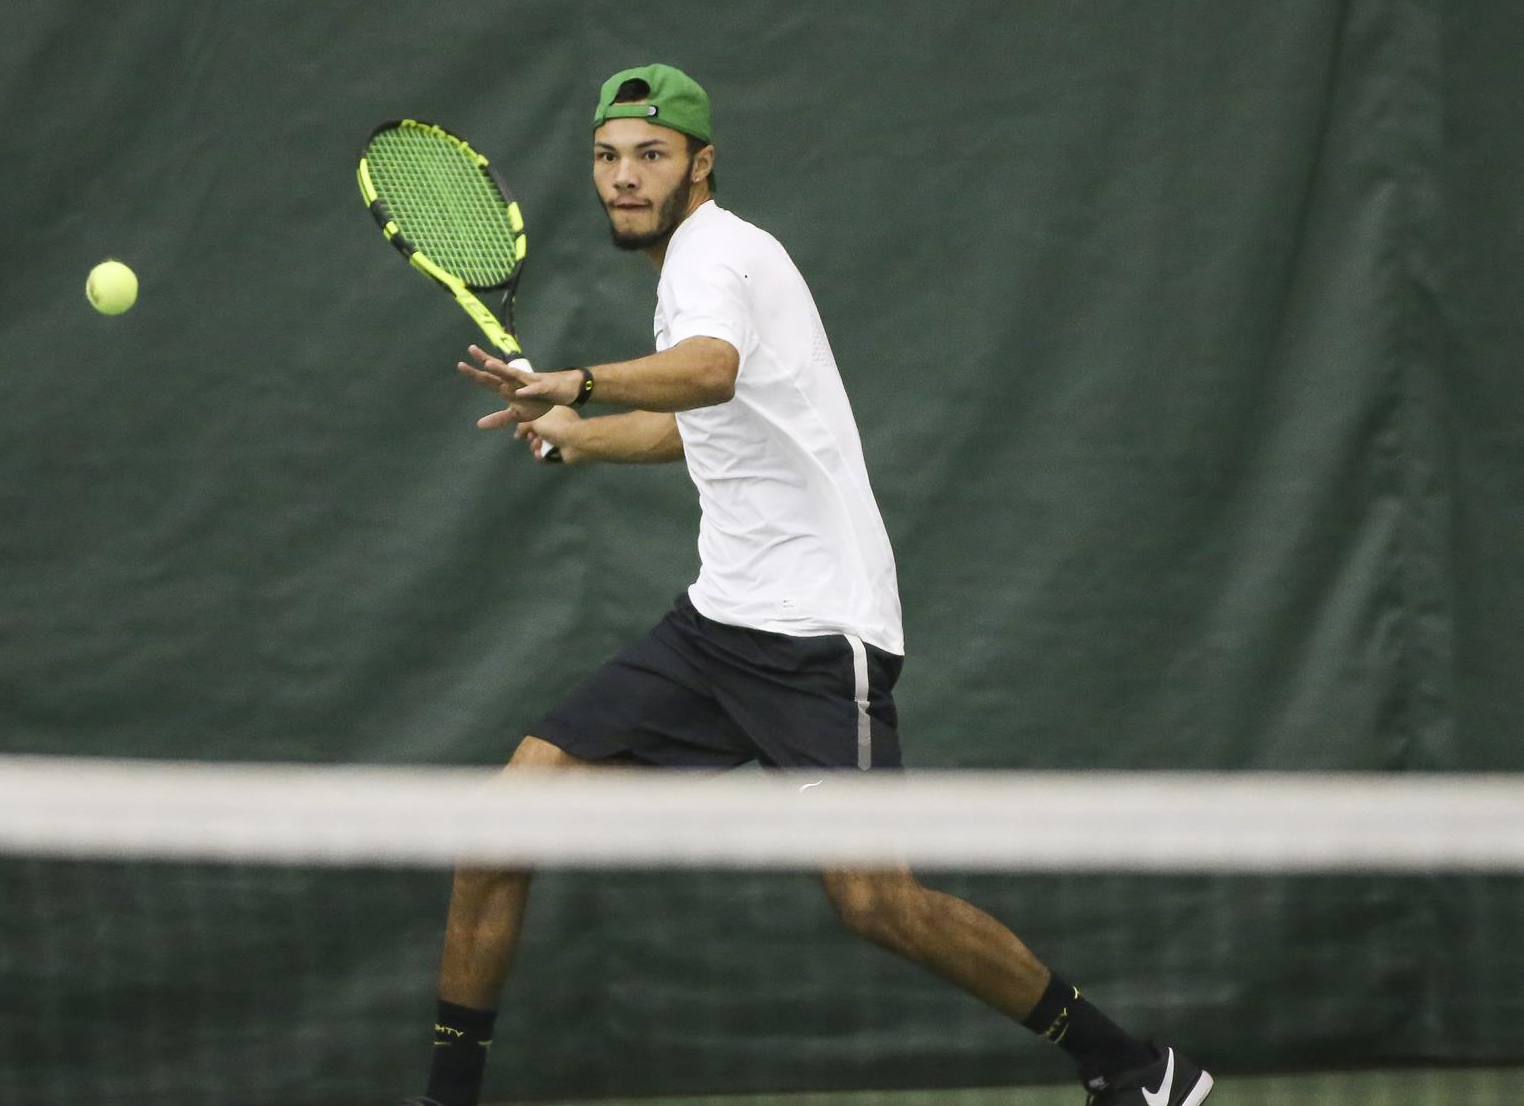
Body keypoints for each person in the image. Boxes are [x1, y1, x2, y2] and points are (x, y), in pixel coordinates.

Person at [413, 63, 1213, 1106]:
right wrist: (581, 437)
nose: (623, 177)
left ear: (700, 162)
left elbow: (707, 372)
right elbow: (700, 420)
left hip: (812, 636)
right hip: (716, 626)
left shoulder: (713, 254)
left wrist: (576, 379)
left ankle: (1131, 1065)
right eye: (607, 157)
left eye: (649, 155)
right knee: (498, 831)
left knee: (877, 900)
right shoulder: (705, 265)